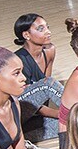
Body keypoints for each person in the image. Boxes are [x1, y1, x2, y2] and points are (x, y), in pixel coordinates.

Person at [13, 13, 64, 142]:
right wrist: (61, 114)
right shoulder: (18, 60)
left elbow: (44, 95)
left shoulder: (49, 51)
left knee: (75, 126)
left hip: (35, 117)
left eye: (47, 27)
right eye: (41, 29)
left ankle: (22, 139)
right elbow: (29, 101)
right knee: (48, 84)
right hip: (18, 113)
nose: (48, 32)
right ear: (26, 35)